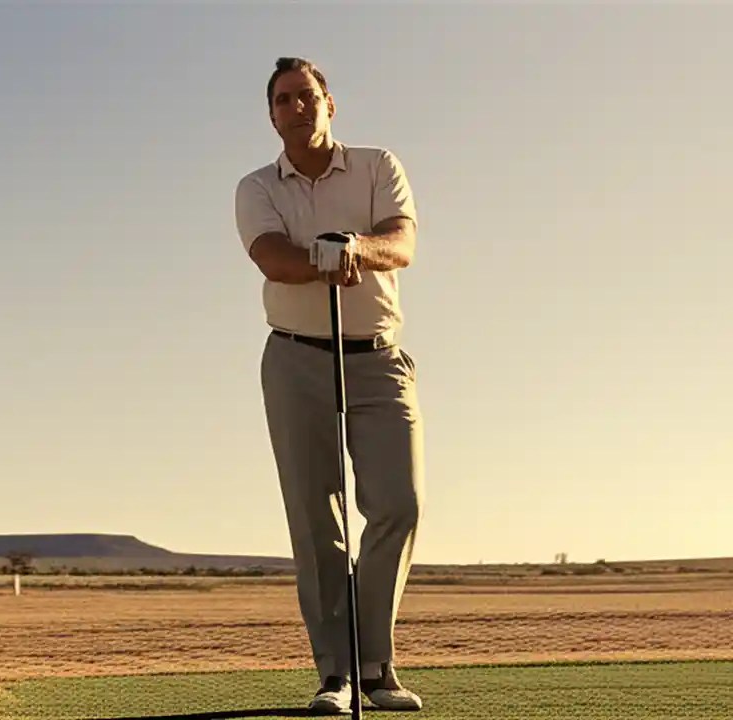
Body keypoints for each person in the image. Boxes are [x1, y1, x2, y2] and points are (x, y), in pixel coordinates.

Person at [234, 56, 426, 714]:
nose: (297, 107)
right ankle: (337, 676)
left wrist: (356, 248)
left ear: (330, 104)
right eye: (284, 100)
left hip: (377, 355)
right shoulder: (257, 186)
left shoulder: (377, 166)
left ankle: (377, 665)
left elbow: (400, 242)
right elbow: (271, 258)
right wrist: (325, 256)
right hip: (295, 360)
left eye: (307, 96)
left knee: (399, 504)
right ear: (272, 115)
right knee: (319, 518)